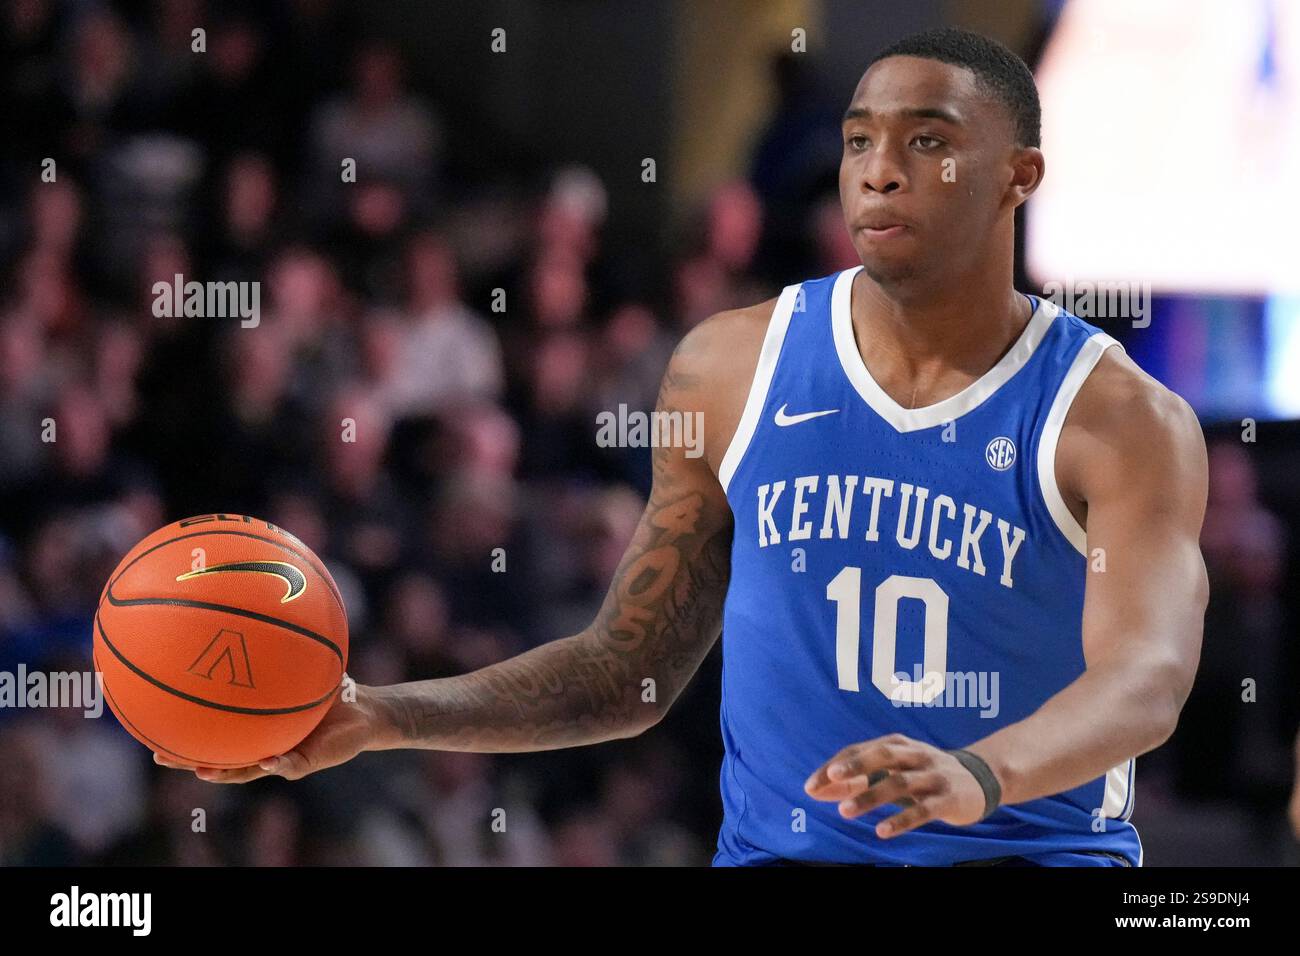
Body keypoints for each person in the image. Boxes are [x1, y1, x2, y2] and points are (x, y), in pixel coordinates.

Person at [158, 28, 1209, 867]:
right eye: (857, 140)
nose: (879, 172)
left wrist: (981, 770)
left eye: (927, 140)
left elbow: (1147, 678)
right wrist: (380, 715)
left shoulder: (1115, 418)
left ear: (1018, 174)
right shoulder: (728, 368)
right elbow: (629, 674)